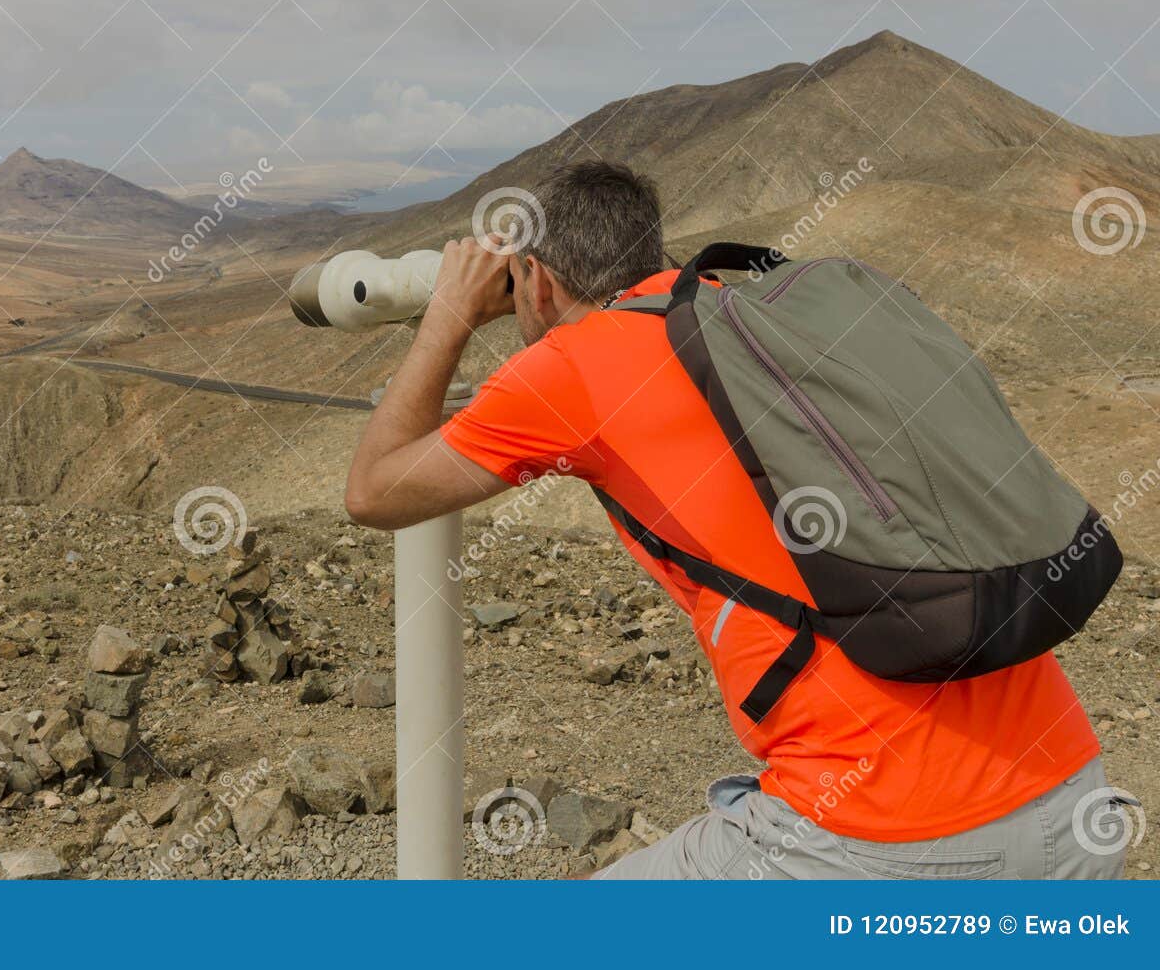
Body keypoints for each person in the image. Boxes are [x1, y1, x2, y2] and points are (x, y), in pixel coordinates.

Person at [343, 159, 1129, 879]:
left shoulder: (571, 368)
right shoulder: (751, 313)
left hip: (883, 839)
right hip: (1072, 795)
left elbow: (375, 491)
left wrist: (447, 313)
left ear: (538, 282)